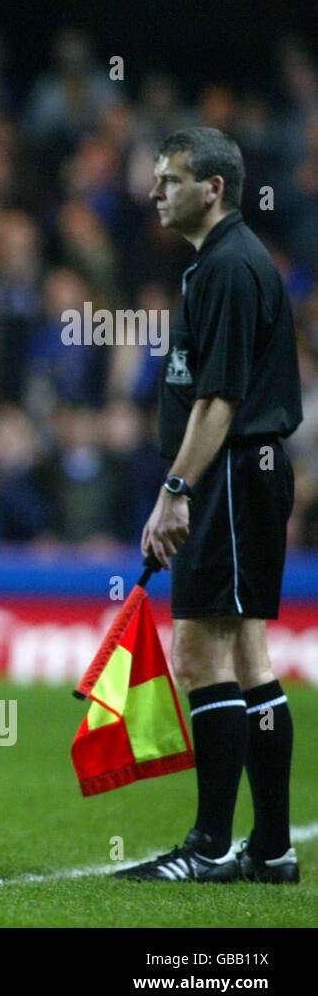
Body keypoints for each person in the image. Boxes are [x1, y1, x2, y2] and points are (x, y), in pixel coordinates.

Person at [116, 127, 301, 883]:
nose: (155, 191)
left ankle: (212, 843)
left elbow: (219, 400)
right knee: (249, 656)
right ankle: (271, 848)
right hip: (250, 472)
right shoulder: (228, 263)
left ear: (212, 188)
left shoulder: (225, 267)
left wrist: (174, 493)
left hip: (228, 474)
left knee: (198, 654)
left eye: (169, 180)